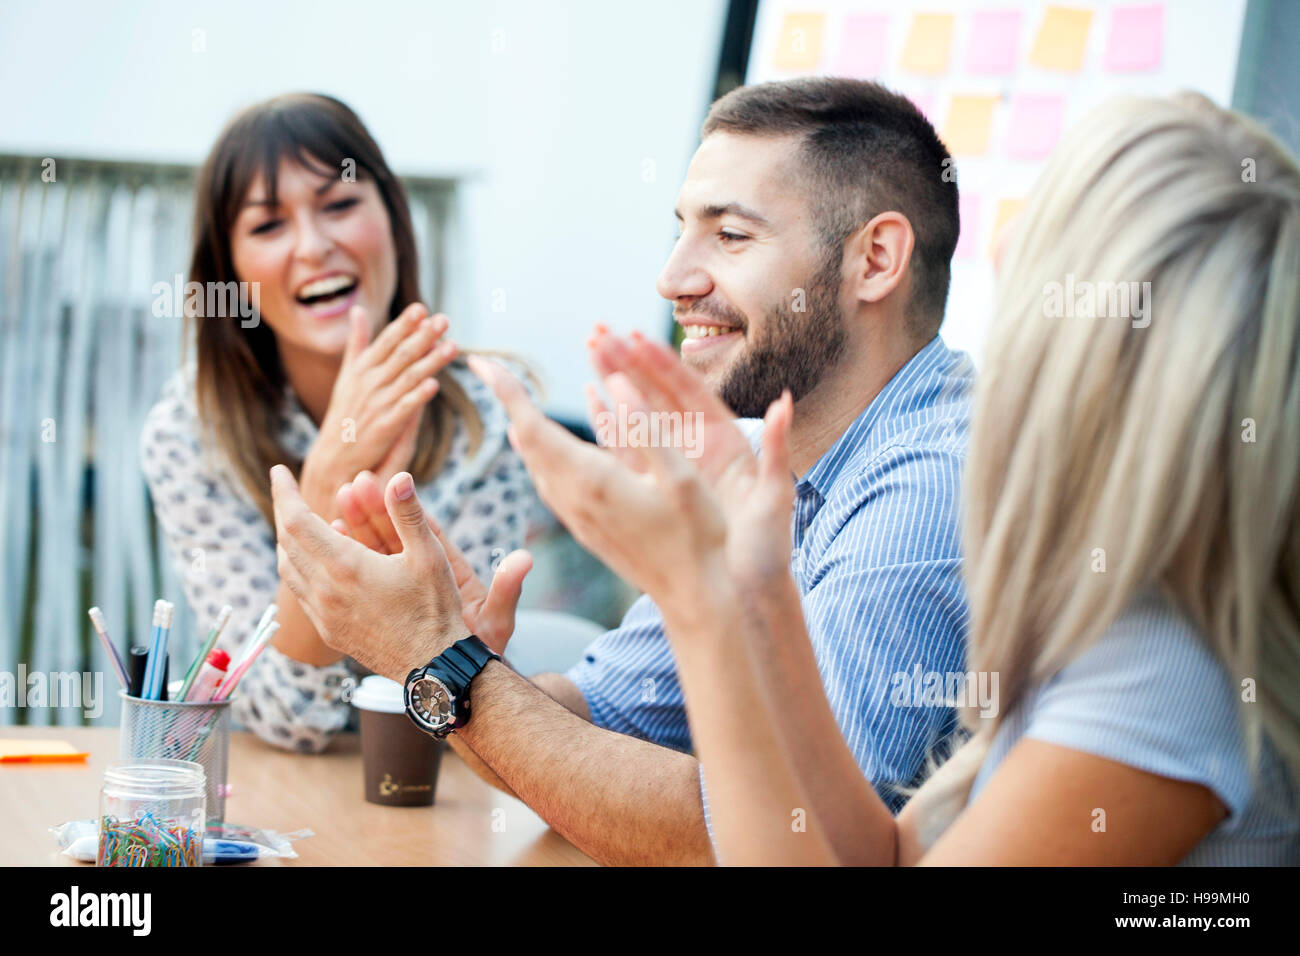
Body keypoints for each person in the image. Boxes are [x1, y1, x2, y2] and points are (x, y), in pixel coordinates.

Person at [475, 92, 1300, 864]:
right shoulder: (1115, 601)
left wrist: (703, 602)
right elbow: (881, 855)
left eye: (730, 234)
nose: (1004, 256)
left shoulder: (1161, 667)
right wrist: (754, 587)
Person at [271, 77, 975, 865]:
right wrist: (453, 654)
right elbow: (599, 720)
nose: (673, 279)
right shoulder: (757, 465)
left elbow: (769, 838)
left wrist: (438, 662)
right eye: (681, 231)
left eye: (731, 237)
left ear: (875, 260)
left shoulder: (928, 485)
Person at [140, 93, 534, 753]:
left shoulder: (485, 412)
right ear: (228, 269)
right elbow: (275, 712)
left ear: (393, 217)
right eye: (268, 226)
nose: (315, 247)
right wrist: (323, 485)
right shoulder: (189, 432)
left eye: (341, 204)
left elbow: (466, 698)